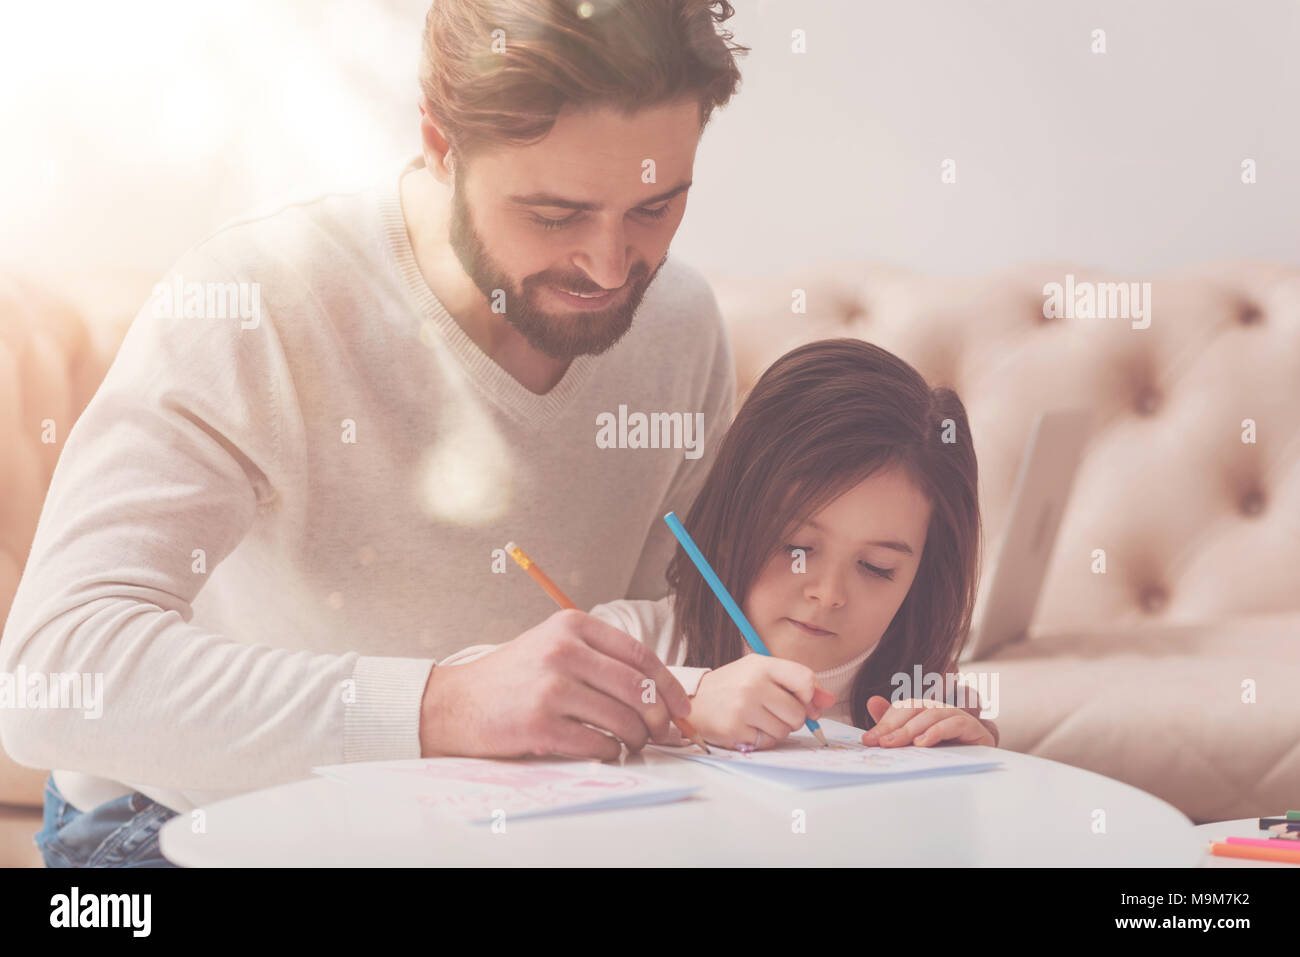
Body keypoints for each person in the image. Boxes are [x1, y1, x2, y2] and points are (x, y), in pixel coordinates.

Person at [0, 0, 749, 866]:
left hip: (500, 822)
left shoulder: (680, 325)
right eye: (554, 215)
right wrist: (445, 705)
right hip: (175, 817)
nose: (612, 267)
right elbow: (53, 677)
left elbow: (697, 634)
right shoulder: (259, 301)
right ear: (439, 143)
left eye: (656, 209)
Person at [444, 338, 999, 750]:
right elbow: (473, 689)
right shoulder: (638, 641)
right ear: (735, 516)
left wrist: (972, 760)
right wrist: (686, 699)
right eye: (796, 547)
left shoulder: (921, 689)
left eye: (877, 568)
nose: (829, 593)